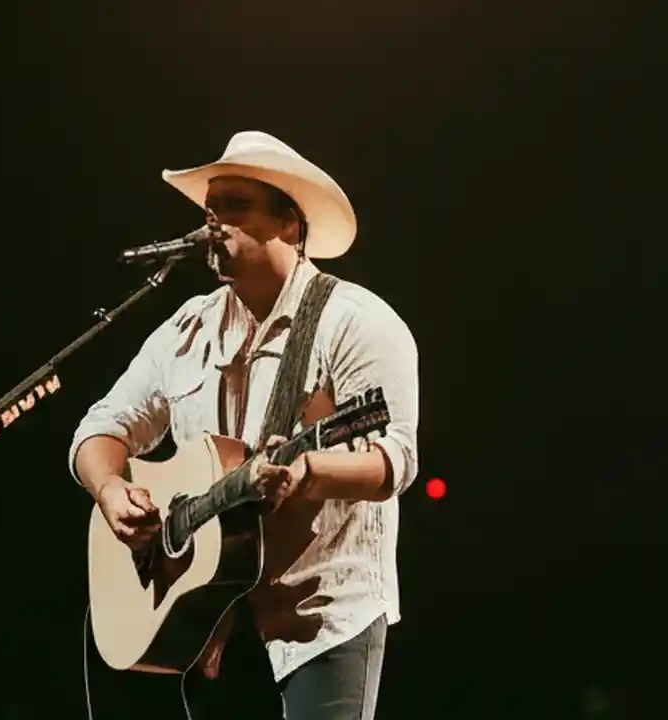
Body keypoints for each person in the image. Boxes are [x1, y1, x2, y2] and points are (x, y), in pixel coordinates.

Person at [70, 130, 421, 719]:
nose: (213, 223)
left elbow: (395, 461)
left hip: (321, 611)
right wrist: (109, 488)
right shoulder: (187, 330)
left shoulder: (357, 322)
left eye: (235, 207)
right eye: (210, 209)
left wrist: (310, 469)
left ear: (290, 223)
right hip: (212, 615)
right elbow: (101, 427)